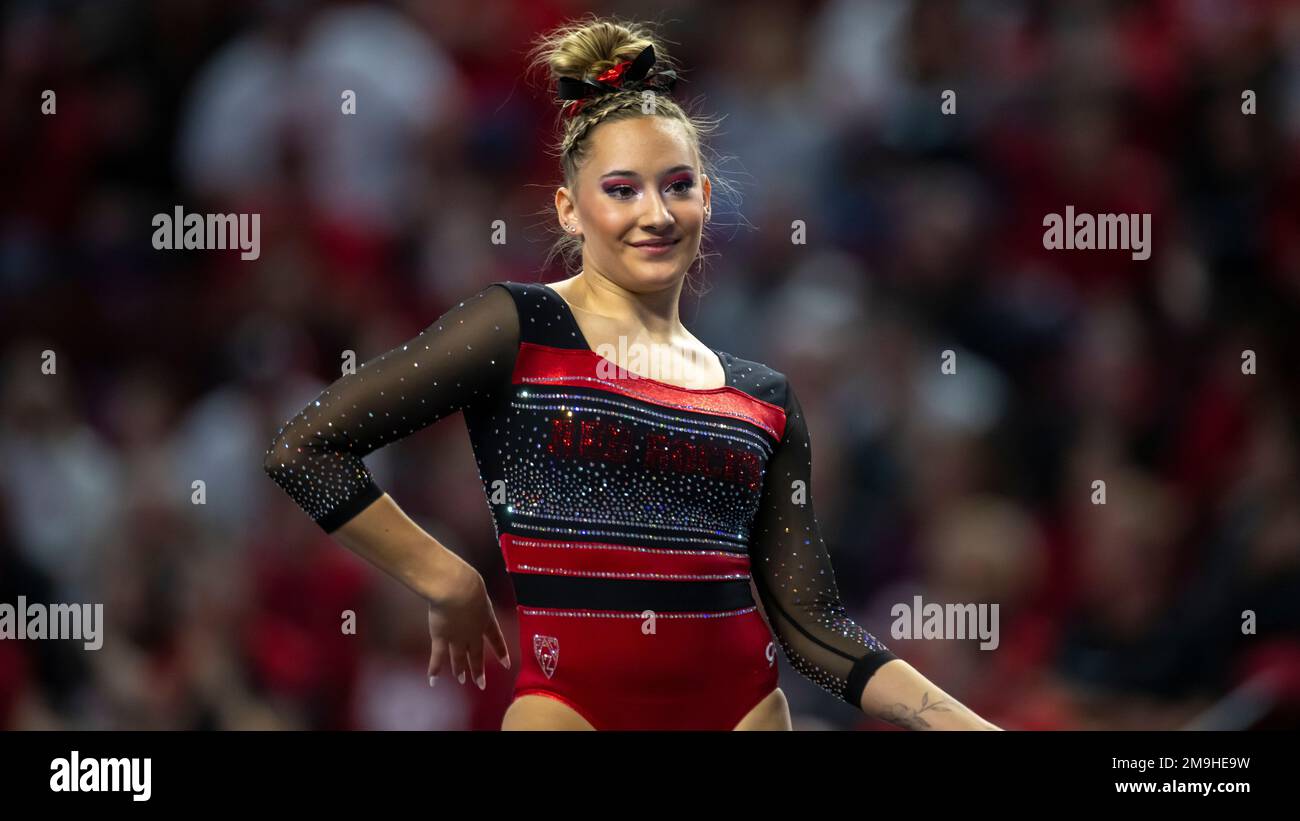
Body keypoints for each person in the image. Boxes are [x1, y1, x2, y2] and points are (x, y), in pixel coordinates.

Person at [264, 16, 1000, 731]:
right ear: (569, 210)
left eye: (677, 185)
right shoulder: (519, 330)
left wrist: (965, 726)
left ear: (706, 201)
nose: (655, 213)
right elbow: (305, 447)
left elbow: (818, 629)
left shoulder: (760, 397)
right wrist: (444, 574)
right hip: (568, 709)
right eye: (621, 190)